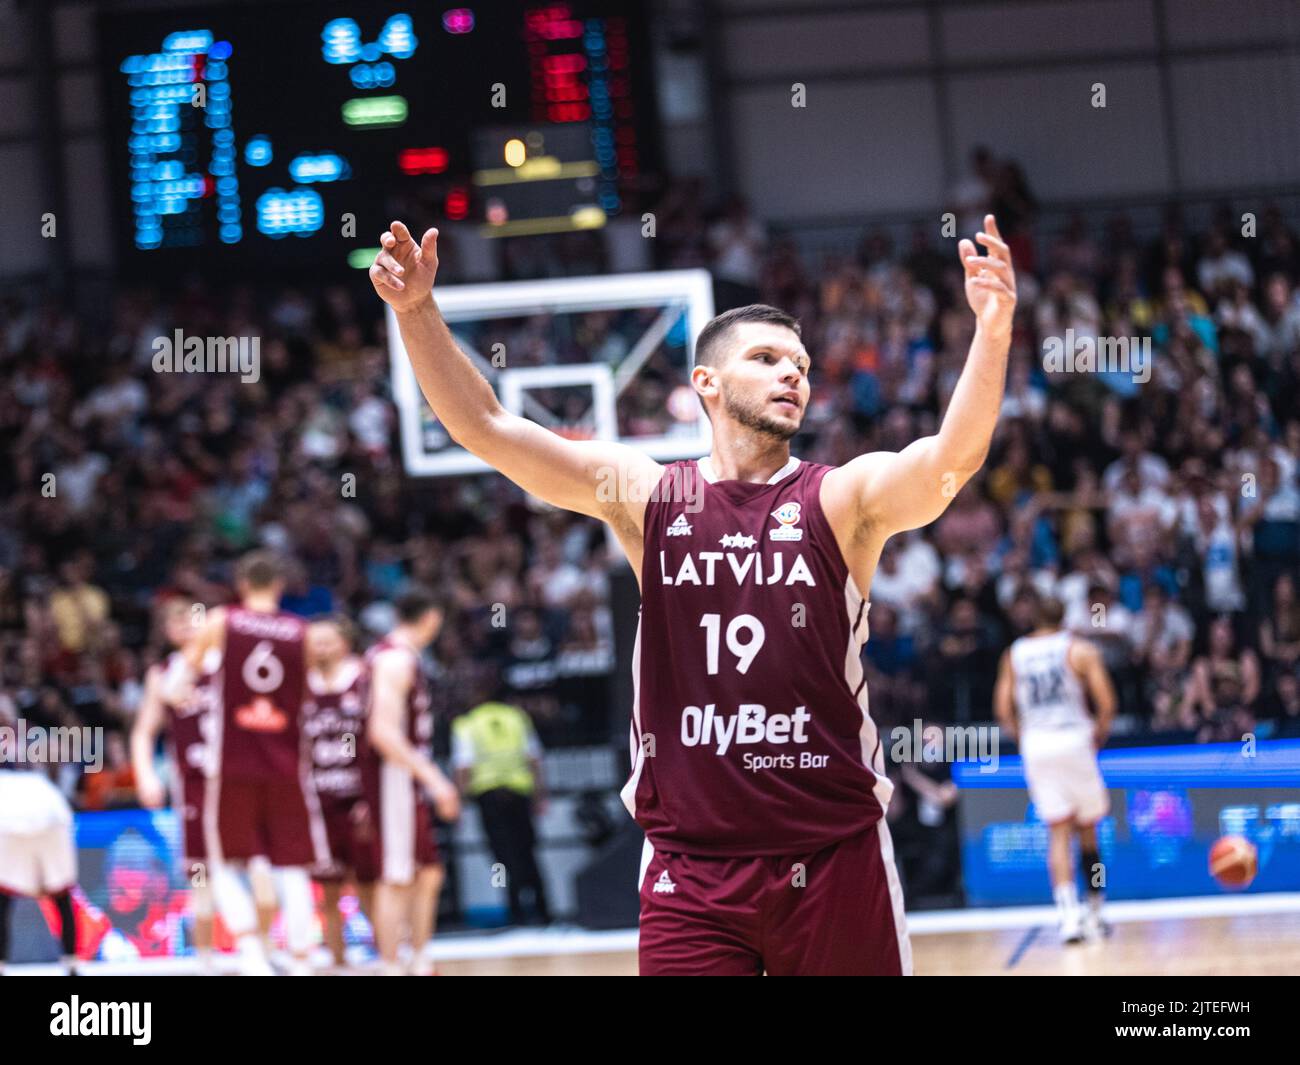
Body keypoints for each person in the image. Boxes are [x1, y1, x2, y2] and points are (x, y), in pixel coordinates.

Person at [370, 212, 1016, 975]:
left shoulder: (842, 499)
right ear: (705, 382)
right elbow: (487, 427)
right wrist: (416, 313)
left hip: (834, 852)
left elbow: (950, 459)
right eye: (768, 357)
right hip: (692, 869)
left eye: (802, 364)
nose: (792, 374)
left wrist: (994, 329)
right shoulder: (646, 495)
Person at [164, 550, 328, 976]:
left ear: (240, 584)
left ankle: (253, 955)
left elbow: (181, 678)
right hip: (288, 761)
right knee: (290, 865)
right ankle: (301, 958)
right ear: (278, 585)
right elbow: (313, 691)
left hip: (233, 762)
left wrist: (182, 690)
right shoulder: (301, 631)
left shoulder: (223, 621)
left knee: (222, 863)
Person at [994, 595, 1117, 944]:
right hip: (1074, 737)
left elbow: (1003, 710)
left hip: (1037, 743)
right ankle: (1095, 911)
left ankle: (1067, 918)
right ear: (1063, 614)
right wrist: (1098, 735)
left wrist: (1024, 739)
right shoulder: (1079, 649)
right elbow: (1107, 702)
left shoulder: (1014, 654)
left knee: (1058, 832)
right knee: (1088, 830)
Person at [363, 587, 460, 976]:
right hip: (392, 778)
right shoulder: (395, 660)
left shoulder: (385, 655)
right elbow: (382, 732)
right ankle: (391, 965)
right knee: (396, 877)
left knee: (428, 871)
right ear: (432, 618)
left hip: (402, 780)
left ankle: (419, 957)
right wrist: (436, 780)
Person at [303, 615, 375, 970]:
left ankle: (388, 956)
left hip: (358, 797)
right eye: (314, 641)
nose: (319, 648)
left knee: (369, 885)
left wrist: (371, 797)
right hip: (318, 801)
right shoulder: (301, 686)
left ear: (345, 643)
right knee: (327, 890)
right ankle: (337, 963)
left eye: (326, 640)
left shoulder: (363, 681)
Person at [452, 681, 550, 926]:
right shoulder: (516, 717)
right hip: (520, 792)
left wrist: (459, 801)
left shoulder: (467, 723)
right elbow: (535, 759)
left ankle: (514, 910)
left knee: (500, 857)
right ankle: (542, 910)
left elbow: (464, 767)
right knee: (528, 850)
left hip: (489, 797)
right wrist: (540, 796)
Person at [0, 767, 79, 975]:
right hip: (46, 823)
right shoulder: (39, 782)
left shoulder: (20, 783)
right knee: (62, 900)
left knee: (3, 901)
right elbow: (65, 816)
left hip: (17, 825)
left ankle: (1, 964)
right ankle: (71, 962)